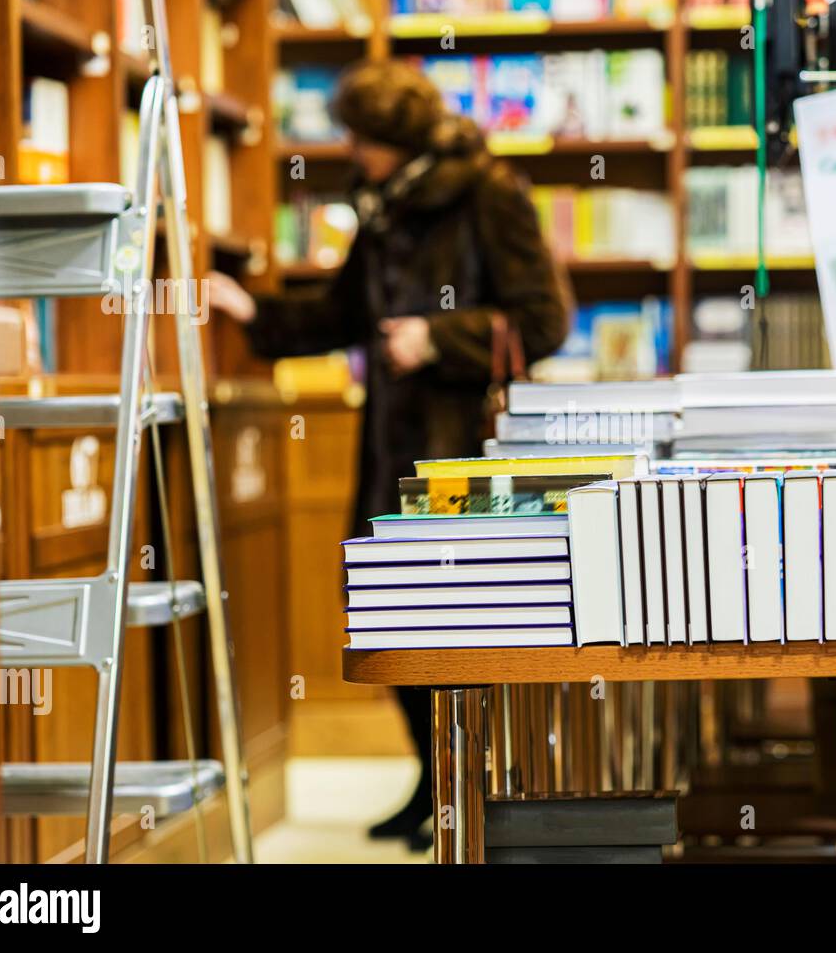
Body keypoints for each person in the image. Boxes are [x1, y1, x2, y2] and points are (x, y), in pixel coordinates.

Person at [207, 59, 571, 850]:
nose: (349, 150)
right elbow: (339, 314)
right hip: (393, 450)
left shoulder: (487, 193)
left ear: (391, 139)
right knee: (388, 618)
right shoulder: (380, 208)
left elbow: (544, 319)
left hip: (468, 459)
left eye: (360, 138)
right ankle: (436, 779)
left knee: (464, 628)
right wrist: (249, 311)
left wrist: (437, 336)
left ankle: (471, 793)